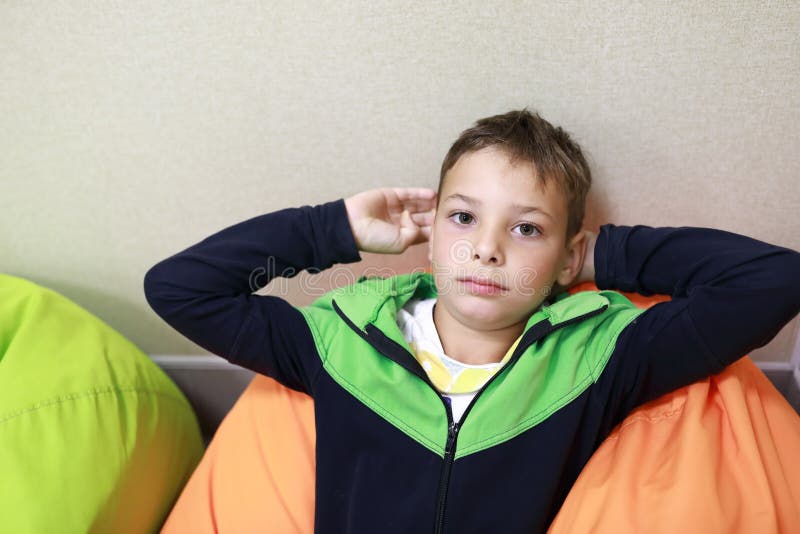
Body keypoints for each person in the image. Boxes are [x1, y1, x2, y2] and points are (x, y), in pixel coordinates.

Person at [143, 108, 800, 533]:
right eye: (464, 217)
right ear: (429, 239)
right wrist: (335, 228)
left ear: (568, 255)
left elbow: (774, 281)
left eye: (526, 227)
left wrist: (602, 253)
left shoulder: (601, 359)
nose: (488, 248)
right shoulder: (341, 344)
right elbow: (179, 289)